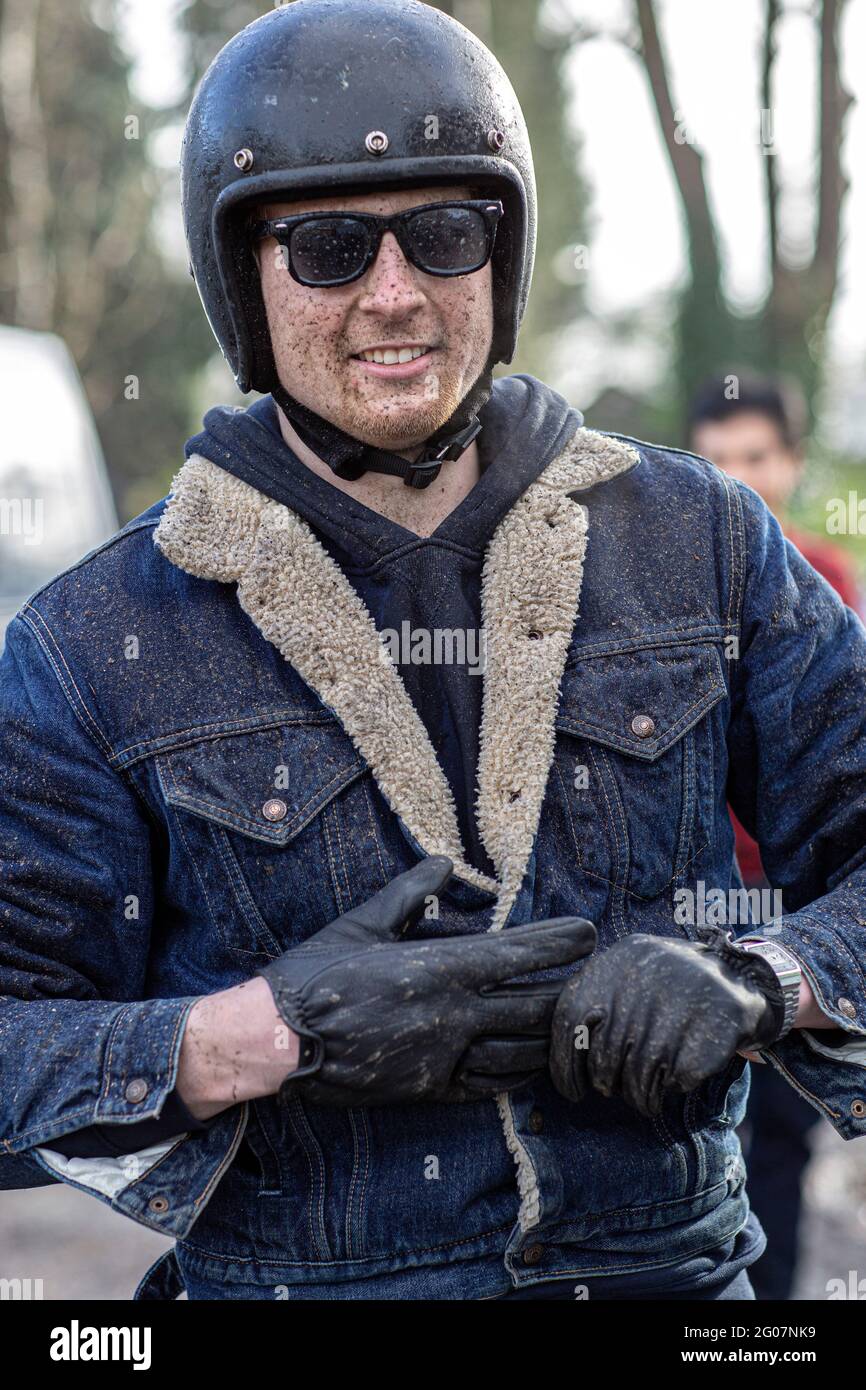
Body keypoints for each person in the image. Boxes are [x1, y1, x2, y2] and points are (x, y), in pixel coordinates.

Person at [1, 0, 865, 1302]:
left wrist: (761, 976)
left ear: (499, 258)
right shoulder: (94, 641)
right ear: (243, 277)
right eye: (331, 247)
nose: (392, 293)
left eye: (443, 234)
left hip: (674, 1287)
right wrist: (265, 1032)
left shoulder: (701, 539)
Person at [688, 375, 864, 1300]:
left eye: (756, 458)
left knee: (785, 1143)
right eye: (716, 462)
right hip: (693, 897)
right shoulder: (667, 588)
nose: (739, 480)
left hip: (792, 904)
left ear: (792, 463)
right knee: (694, 1125)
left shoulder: (823, 581)